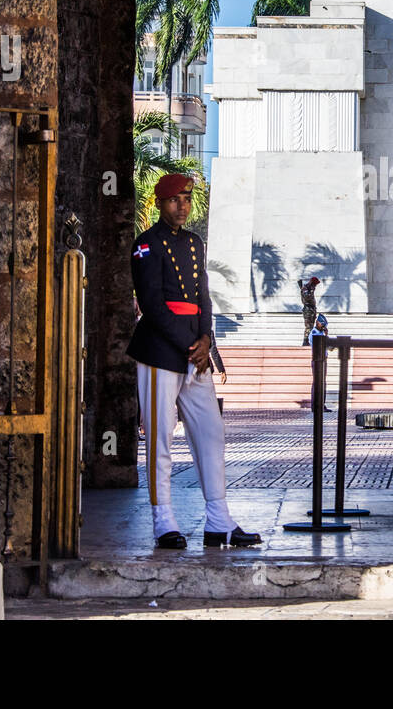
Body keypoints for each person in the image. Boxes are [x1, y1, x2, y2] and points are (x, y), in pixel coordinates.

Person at [128, 172, 261, 549]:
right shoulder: (146, 245)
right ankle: (163, 520)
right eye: (174, 199)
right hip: (160, 349)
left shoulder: (193, 242)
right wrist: (192, 344)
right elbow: (151, 305)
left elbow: (203, 295)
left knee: (210, 433)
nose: (182, 205)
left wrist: (206, 338)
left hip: (194, 350)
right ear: (160, 203)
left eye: (186, 198)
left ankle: (219, 520)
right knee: (160, 436)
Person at [307, 314, 332, 412]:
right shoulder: (314, 333)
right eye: (322, 325)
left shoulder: (321, 333)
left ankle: (321, 405)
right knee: (317, 383)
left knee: (322, 383)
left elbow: (329, 346)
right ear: (317, 323)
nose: (324, 327)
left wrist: (326, 335)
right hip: (317, 360)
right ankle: (316, 406)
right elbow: (318, 344)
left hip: (323, 359)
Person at [299, 275, 321, 345]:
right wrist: (311, 290)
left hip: (311, 309)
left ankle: (309, 340)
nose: (315, 286)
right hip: (308, 309)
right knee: (308, 326)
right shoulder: (305, 288)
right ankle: (306, 341)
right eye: (315, 284)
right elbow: (307, 297)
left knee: (311, 326)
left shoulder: (309, 288)